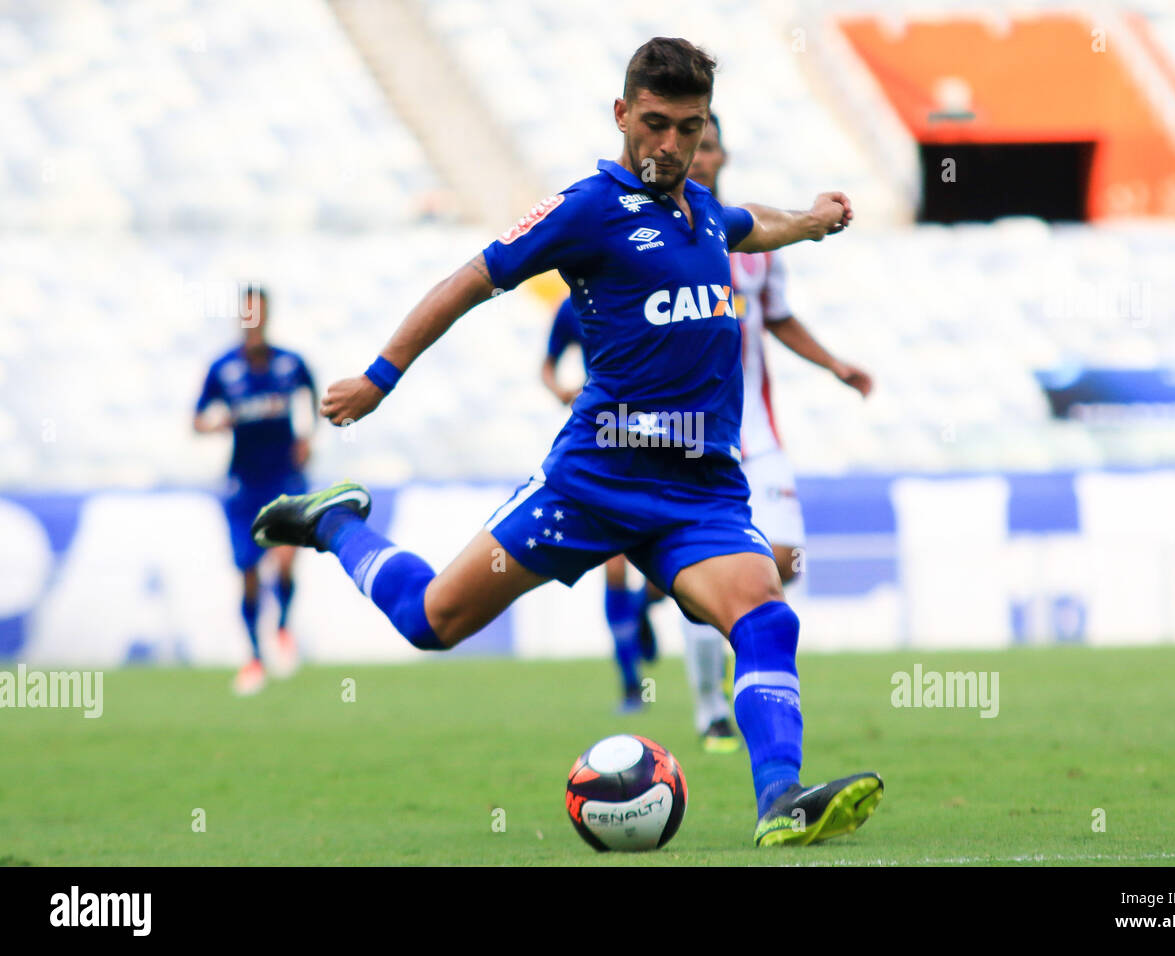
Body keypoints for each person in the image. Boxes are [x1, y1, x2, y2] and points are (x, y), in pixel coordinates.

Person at [253, 38, 883, 847]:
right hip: (590, 485)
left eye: (687, 130)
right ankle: (338, 521)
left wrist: (814, 220)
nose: (669, 146)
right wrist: (381, 375)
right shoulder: (586, 208)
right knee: (429, 621)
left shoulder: (699, 214)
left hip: (698, 493)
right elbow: (470, 280)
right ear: (622, 114)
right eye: (654, 125)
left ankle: (780, 801)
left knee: (765, 615)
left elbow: (752, 223)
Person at [678, 113, 872, 752]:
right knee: (717, 572)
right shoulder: (659, 242)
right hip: (691, 440)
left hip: (756, 432)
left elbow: (779, 320)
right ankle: (712, 706)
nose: (699, 156)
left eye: (707, 145)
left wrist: (836, 363)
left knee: (780, 559)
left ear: (723, 155)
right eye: (690, 144)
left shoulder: (752, 243)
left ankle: (735, 662)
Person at [541, 296, 665, 712]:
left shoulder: (643, 288)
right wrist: (561, 389)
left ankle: (643, 605)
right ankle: (630, 683)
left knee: (663, 561)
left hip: (657, 432)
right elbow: (547, 364)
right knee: (614, 566)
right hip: (605, 436)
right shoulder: (570, 308)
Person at [195, 285, 316, 695]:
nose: (253, 320)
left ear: (267, 315)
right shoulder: (223, 368)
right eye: (247, 313)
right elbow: (196, 419)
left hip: (284, 479)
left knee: (283, 562)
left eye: (259, 312)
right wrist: (217, 423)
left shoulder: (290, 363)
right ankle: (254, 657)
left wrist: (307, 438)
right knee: (248, 575)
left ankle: (282, 627)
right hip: (243, 483)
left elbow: (312, 398)